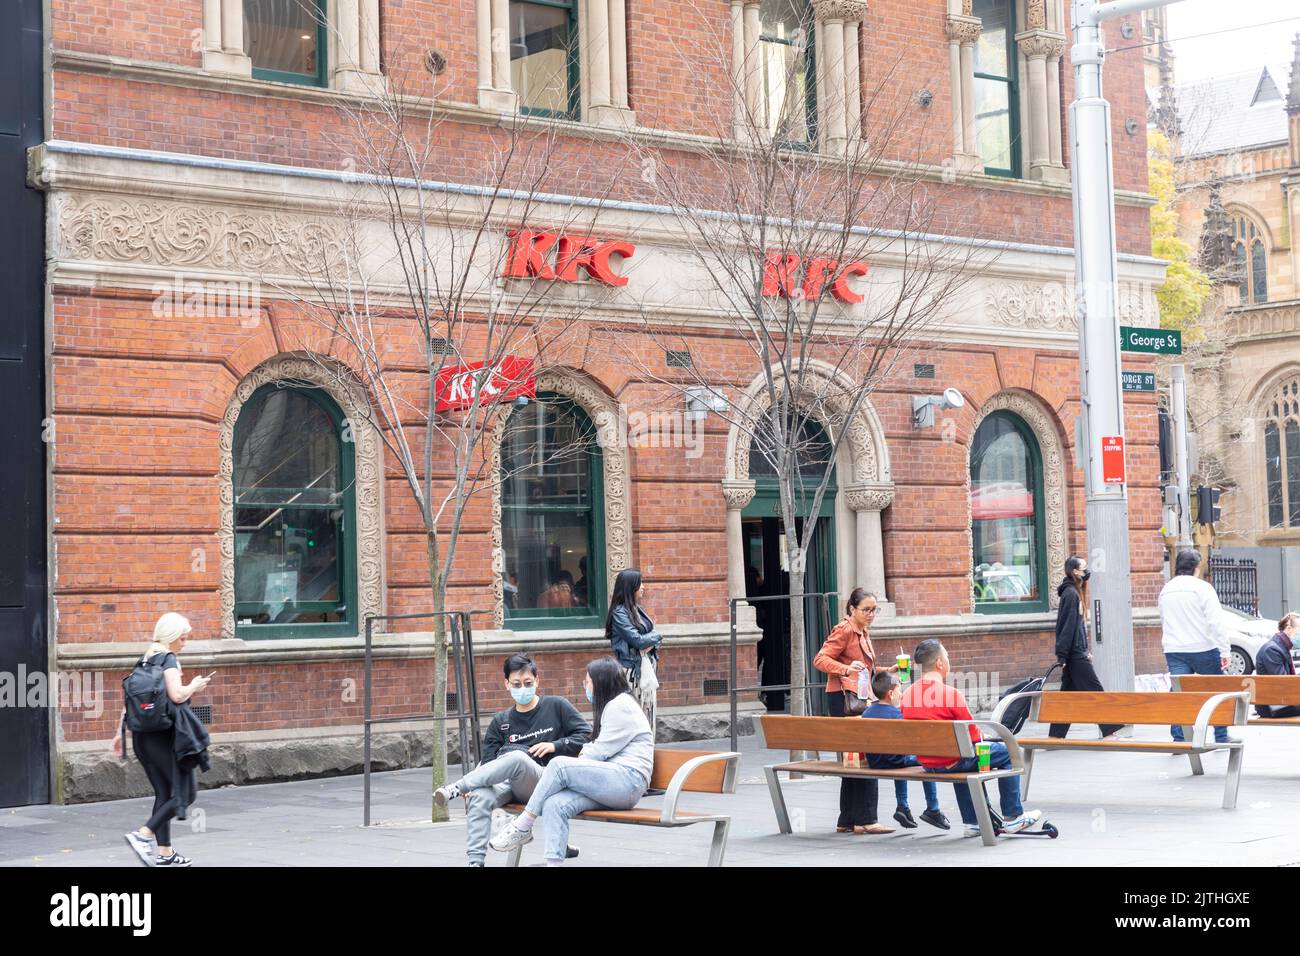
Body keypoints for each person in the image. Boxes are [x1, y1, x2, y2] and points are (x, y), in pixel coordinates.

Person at [489, 658, 653, 865]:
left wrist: (574, 761)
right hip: (614, 785)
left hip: (628, 781)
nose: (585, 686)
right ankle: (554, 863)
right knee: (554, 804)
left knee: (559, 765)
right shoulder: (614, 705)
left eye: (588, 681)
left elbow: (599, 750)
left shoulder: (621, 705)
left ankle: (523, 824)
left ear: (601, 682)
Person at [433, 652, 591, 867]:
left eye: (527, 683)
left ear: (537, 680)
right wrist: (478, 782)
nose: (522, 689)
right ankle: (475, 862)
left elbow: (585, 735)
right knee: (479, 796)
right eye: (516, 684)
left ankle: (457, 787)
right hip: (508, 785)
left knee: (517, 758)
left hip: (545, 780)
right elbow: (489, 762)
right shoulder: (501, 721)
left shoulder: (556, 706)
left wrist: (555, 745)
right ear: (507, 684)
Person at [901, 639, 1041, 837]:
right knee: (1010, 751)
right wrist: (984, 737)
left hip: (927, 761)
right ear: (940, 663)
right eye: (947, 657)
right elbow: (973, 735)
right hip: (952, 760)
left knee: (962, 752)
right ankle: (1013, 816)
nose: (949, 661)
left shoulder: (907, 694)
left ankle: (973, 822)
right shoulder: (951, 694)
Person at [112, 611, 211, 867]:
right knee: (185, 794)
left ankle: (166, 855)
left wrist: (118, 734)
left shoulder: (144, 660)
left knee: (163, 793)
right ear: (171, 637)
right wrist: (195, 686)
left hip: (142, 738)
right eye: (183, 638)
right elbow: (177, 696)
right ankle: (143, 835)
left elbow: (129, 703)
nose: (185, 643)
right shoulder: (168, 659)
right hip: (164, 737)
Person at [811, 588, 895, 835]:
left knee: (852, 761)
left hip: (854, 697)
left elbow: (863, 668)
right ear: (852, 609)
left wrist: (883, 669)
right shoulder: (845, 629)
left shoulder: (862, 630)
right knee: (865, 754)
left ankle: (847, 819)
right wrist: (846, 669)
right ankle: (867, 819)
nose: (871, 614)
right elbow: (820, 660)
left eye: (874, 610)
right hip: (844, 699)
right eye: (866, 610)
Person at [1159, 549, 1235, 743]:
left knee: (1179, 694)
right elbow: (1215, 621)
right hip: (1203, 647)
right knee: (1217, 690)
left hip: (1175, 649)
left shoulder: (1166, 589)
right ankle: (1220, 735)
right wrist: (1225, 650)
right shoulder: (1202, 588)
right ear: (1196, 566)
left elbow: (1164, 620)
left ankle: (1180, 737)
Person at [863, 671, 950, 830]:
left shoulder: (867, 713)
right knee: (927, 759)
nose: (901, 694)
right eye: (899, 690)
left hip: (875, 762)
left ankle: (903, 806)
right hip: (895, 761)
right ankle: (933, 808)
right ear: (890, 693)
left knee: (899, 753)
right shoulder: (898, 715)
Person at [1049, 555, 1122, 739]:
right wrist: (1063, 656)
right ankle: (1110, 730)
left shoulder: (1074, 592)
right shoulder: (1071, 594)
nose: (1087, 571)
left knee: (1067, 697)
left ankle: (1056, 736)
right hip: (1075, 656)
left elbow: (1075, 628)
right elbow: (1066, 627)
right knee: (1095, 692)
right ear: (1075, 572)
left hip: (1075, 653)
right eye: (1083, 568)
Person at [606, 568, 662, 734]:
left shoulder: (637, 610)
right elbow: (637, 640)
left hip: (646, 669)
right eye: (640, 584)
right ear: (630, 587)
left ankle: (647, 752)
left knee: (648, 713)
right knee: (635, 715)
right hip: (632, 672)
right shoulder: (619, 613)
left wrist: (654, 639)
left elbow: (649, 640)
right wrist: (657, 635)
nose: (643, 587)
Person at [1254, 612, 1300, 718]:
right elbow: (1283, 683)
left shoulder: (1281, 646)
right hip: (1274, 705)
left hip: (1280, 700)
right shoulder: (1272, 650)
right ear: (1289, 628)